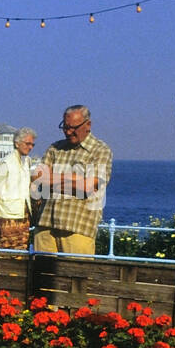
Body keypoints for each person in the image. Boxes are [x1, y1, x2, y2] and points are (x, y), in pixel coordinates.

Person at [31, 105, 112, 255]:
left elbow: (88, 187)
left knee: (76, 276)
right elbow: (37, 179)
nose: (68, 132)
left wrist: (53, 177)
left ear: (88, 124)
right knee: (41, 276)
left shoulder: (100, 150)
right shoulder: (55, 148)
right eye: (65, 127)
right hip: (45, 225)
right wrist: (74, 178)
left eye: (73, 128)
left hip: (78, 229)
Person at [0, 129, 37, 252]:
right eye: (27, 143)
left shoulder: (27, 161)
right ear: (17, 143)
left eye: (32, 144)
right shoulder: (6, 163)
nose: (30, 147)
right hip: (6, 215)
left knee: (21, 250)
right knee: (6, 250)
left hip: (23, 214)